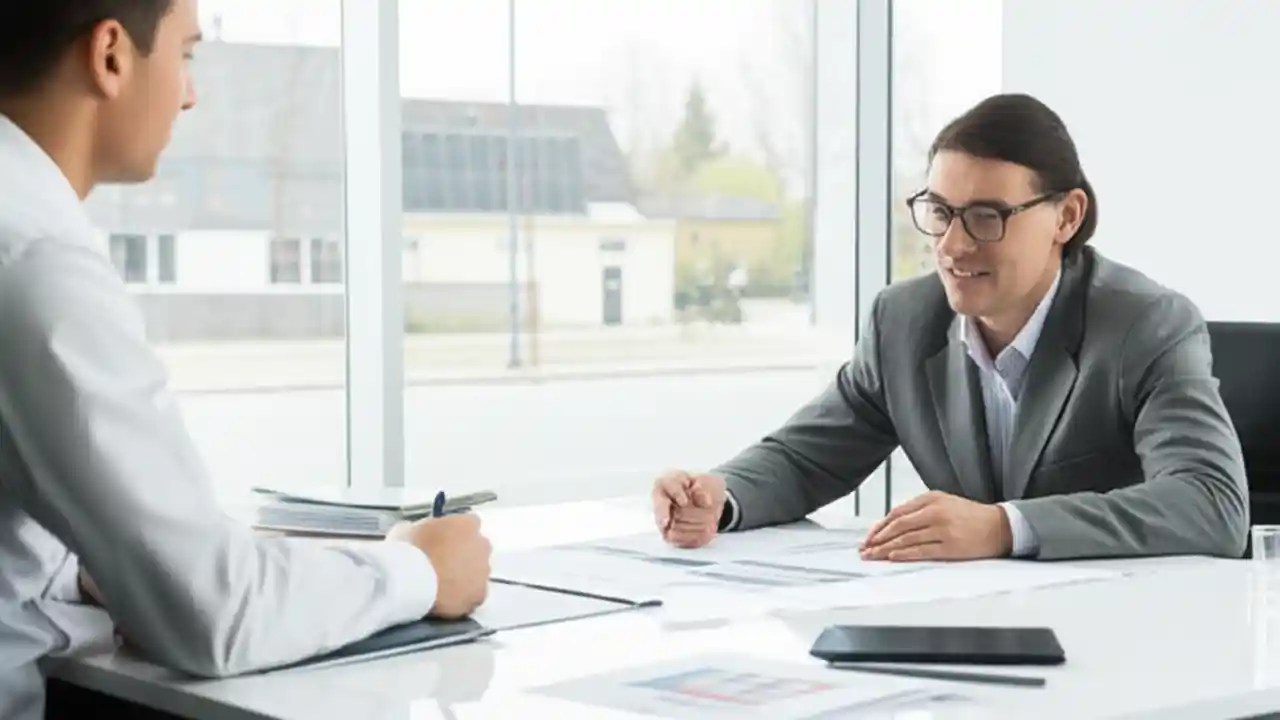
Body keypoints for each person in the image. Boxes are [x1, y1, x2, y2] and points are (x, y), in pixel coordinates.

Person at [0, 2, 491, 717]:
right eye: (187, 54)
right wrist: (420, 568)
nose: (190, 93)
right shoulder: (38, 263)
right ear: (110, 56)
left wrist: (92, 571)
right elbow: (214, 613)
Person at [652, 93, 1248, 563]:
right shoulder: (903, 321)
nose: (953, 246)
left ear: (1066, 216)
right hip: (965, 631)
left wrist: (1002, 527)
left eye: (987, 216)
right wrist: (719, 497)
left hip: (1124, 640)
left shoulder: (1144, 324)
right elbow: (808, 457)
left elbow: (1212, 504)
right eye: (939, 212)